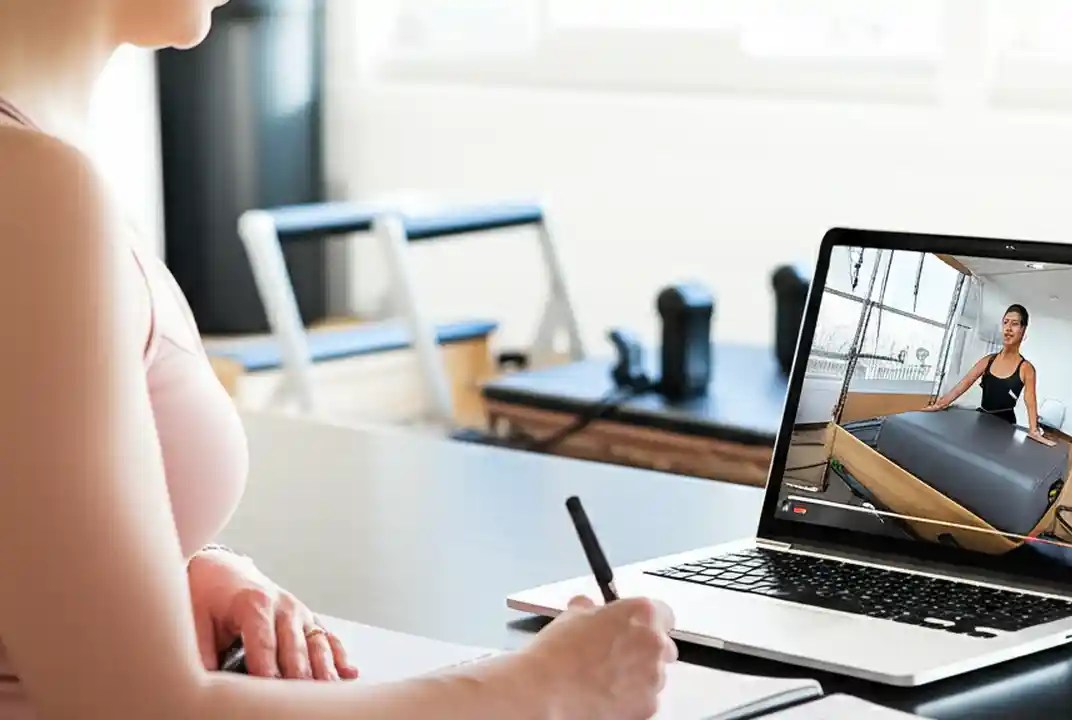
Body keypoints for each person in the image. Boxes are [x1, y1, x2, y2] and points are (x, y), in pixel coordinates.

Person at [0, 2, 675, 718]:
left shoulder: (45, 168)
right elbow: (141, 709)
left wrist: (170, 571)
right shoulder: (35, 190)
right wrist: (544, 689)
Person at [923, 304, 1056, 447]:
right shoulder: (988, 361)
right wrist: (940, 404)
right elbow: (964, 384)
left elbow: (1030, 401)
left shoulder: (1026, 369)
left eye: (1014, 324)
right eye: (1005, 322)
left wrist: (1034, 430)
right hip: (981, 419)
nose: (1008, 328)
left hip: (1004, 426)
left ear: (1023, 330)